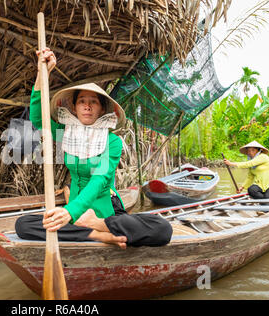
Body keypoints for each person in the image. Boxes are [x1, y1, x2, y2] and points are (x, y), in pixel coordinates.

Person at [15, 48, 173, 249]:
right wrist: (42, 73)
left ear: (102, 109)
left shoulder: (112, 142)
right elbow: (38, 118)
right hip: (75, 212)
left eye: (93, 102)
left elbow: (100, 180)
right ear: (74, 108)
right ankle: (95, 235)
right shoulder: (66, 133)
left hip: (105, 212)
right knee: (23, 225)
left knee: (162, 228)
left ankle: (98, 226)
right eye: (82, 101)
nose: (87, 106)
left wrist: (72, 212)